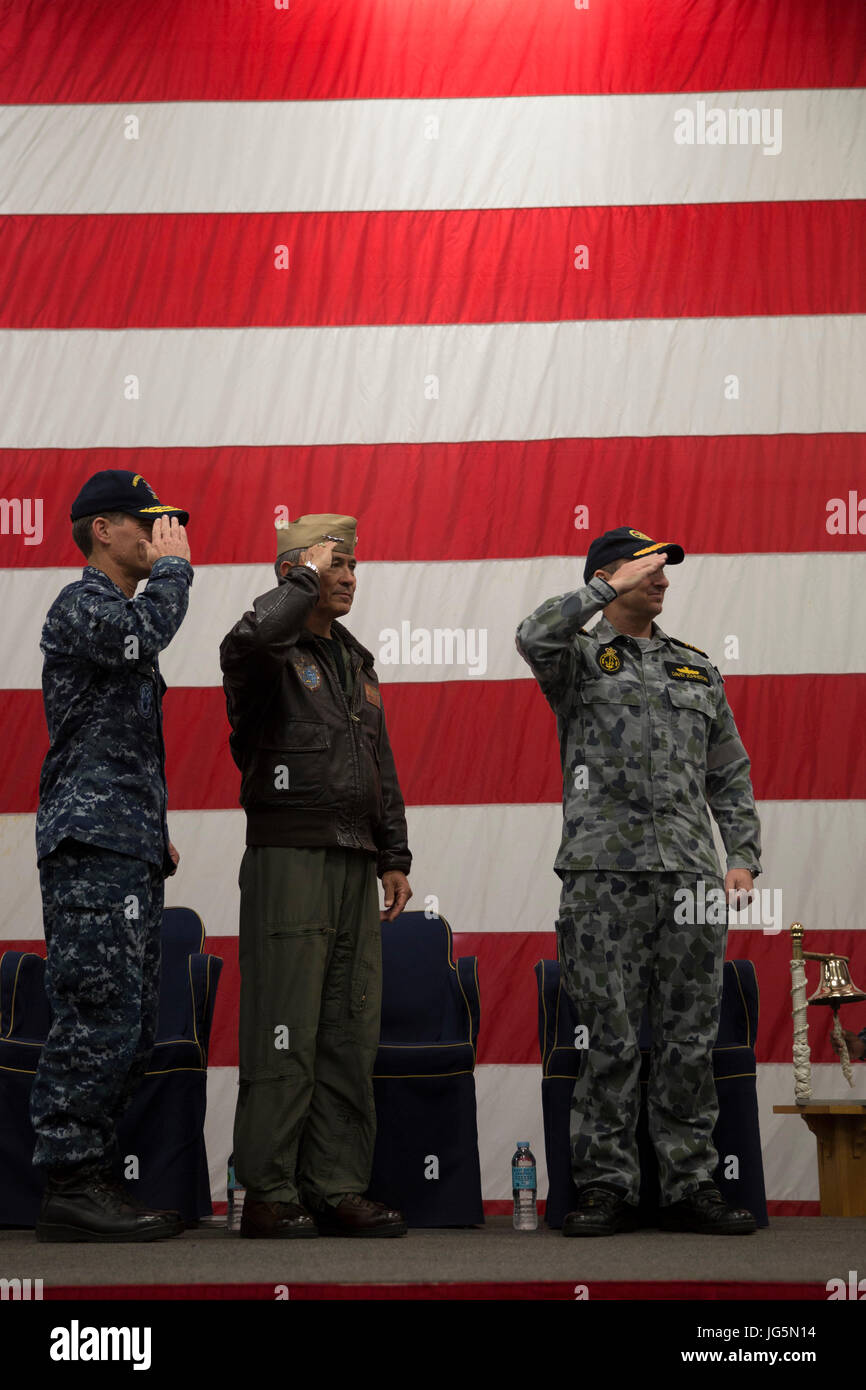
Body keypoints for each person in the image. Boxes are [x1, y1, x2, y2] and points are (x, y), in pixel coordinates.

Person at [516, 526, 762, 1237]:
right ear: (606, 575)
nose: (661, 576)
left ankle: (690, 1184)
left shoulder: (695, 669)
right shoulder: (579, 657)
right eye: (645, 566)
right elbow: (532, 634)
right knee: (609, 1038)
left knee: (689, 1036)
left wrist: (740, 851)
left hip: (688, 874)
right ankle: (606, 1187)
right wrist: (600, 594)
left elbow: (729, 769)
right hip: (602, 875)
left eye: (666, 567)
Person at [220, 513, 412, 1238]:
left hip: (354, 858)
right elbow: (246, 639)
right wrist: (301, 581)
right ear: (292, 572)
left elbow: (380, 769)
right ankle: (269, 1190)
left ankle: (334, 1185)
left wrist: (394, 854)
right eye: (335, 563)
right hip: (290, 852)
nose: (349, 576)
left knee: (347, 1028)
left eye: (353, 565)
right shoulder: (267, 654)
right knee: (285, 1026)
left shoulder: (356, 662)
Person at [32, 470, 193, 1243]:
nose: (160, 536)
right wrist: (175, 572)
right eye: (147, 523)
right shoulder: (85, 605)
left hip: (124, 838)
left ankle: (91, 1178)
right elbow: (143, 637)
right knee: (96, 1012)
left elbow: (115, 735)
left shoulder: (119, 606)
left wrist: (147, 820)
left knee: (128, 1022)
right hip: (90, 841)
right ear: (102, 529)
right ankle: (70, 1181)